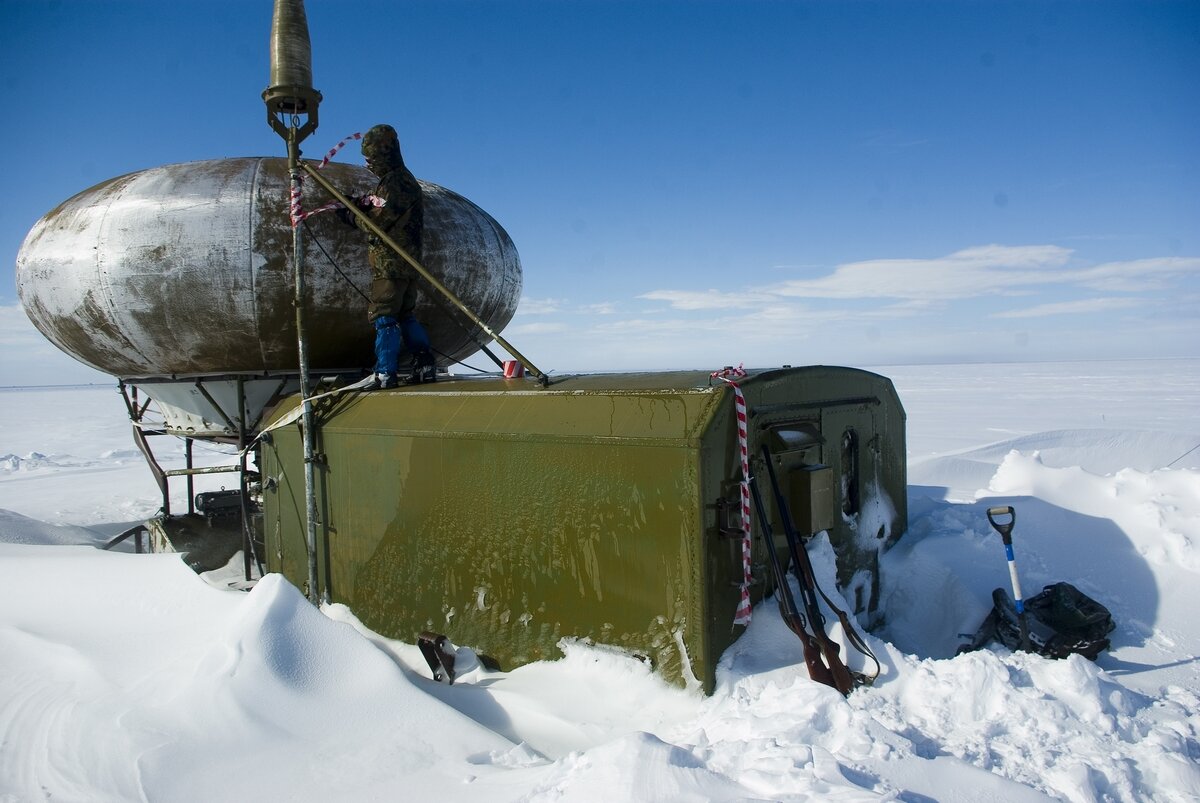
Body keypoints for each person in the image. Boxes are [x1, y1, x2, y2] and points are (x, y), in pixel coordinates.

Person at [338, 124, 436, 387]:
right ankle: (424, 365)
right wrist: (362, 203)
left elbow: (378, 222)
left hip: (390, 264)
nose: (368, 164)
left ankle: (384, 372)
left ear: (383, 155)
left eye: (371, 158)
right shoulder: (400, 180)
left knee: (384, 315)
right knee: (405, 314)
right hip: (407, 263)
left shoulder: (395, 182)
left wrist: (349, 215)